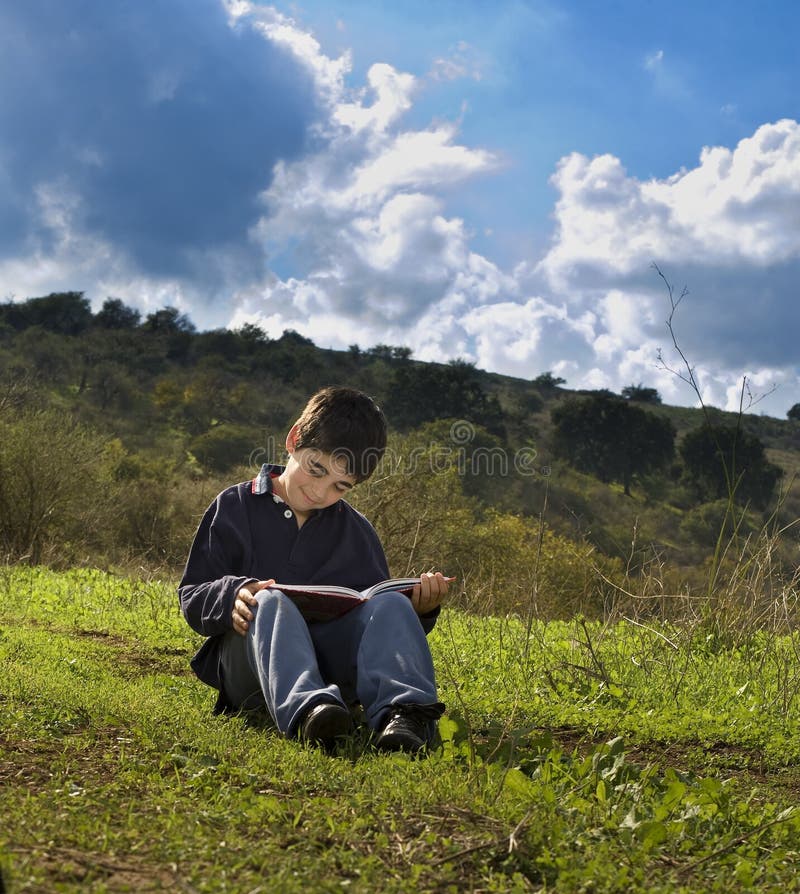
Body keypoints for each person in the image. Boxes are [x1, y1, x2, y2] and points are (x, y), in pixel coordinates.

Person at [178, 385, 450, 752]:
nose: (320, 492)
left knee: (390, 603)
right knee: (269, 600)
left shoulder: (356, 531)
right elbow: (192, 594)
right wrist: (232, 595)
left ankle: (404, 717)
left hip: (334, 670)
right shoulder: (234, 505)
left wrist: (419, 610)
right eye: (315, 469)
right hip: (250, 671)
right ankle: (310, 711)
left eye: (340, 485)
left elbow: (372, 620)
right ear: (293, 440)